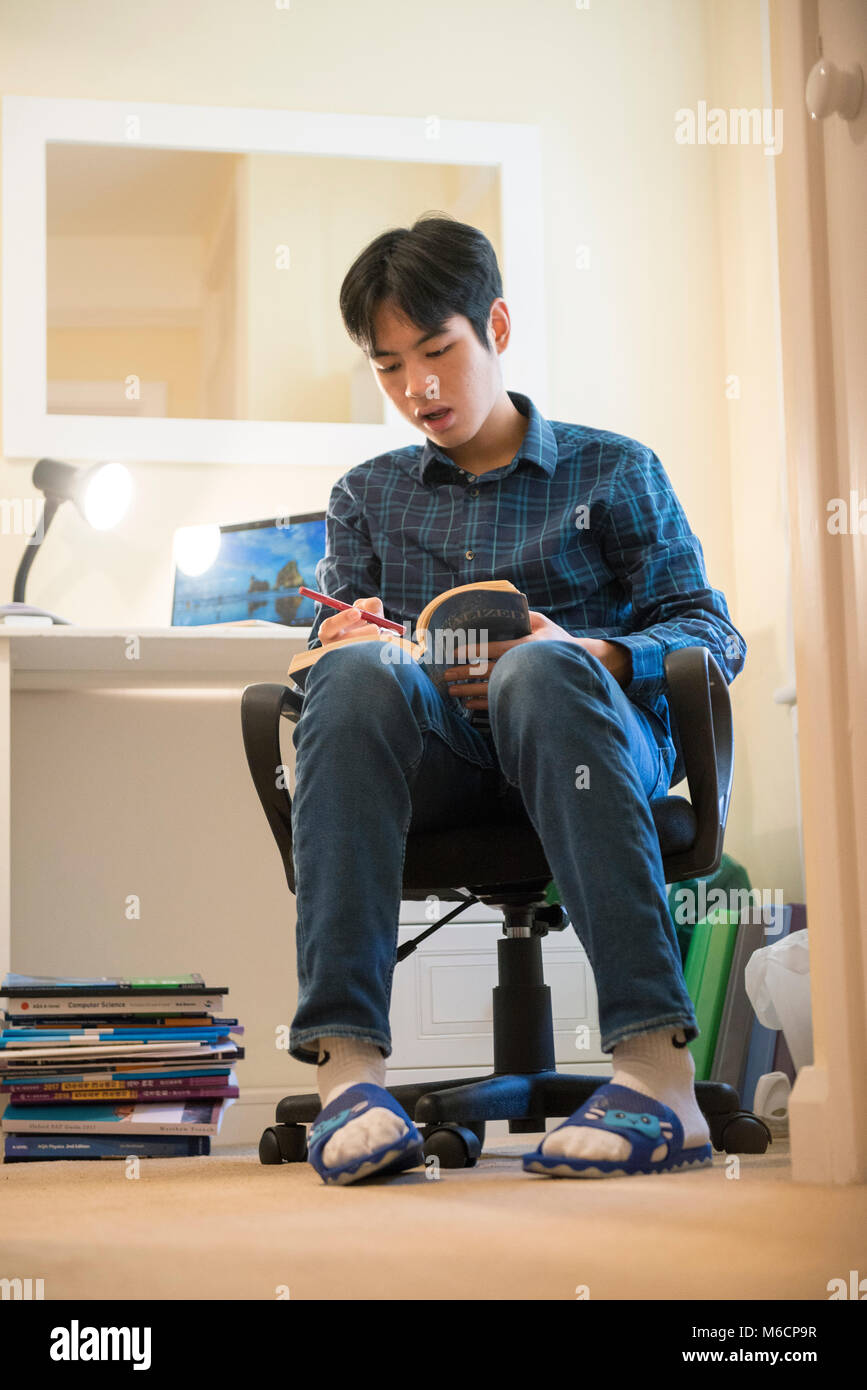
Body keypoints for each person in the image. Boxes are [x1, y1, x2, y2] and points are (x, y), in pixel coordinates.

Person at [288, 213, 746, 1185]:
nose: (418, 388)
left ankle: (659, 1079)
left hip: (581, 731)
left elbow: (713, 636)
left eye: (439, 350)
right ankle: (349, 1080)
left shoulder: (616, 470)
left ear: (495, 327)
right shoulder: (365, 495)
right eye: (389, 366)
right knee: (352, 674)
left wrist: (593, 649)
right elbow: (339, 648)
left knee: (534, 669)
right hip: (446, 760)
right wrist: (346, 638)